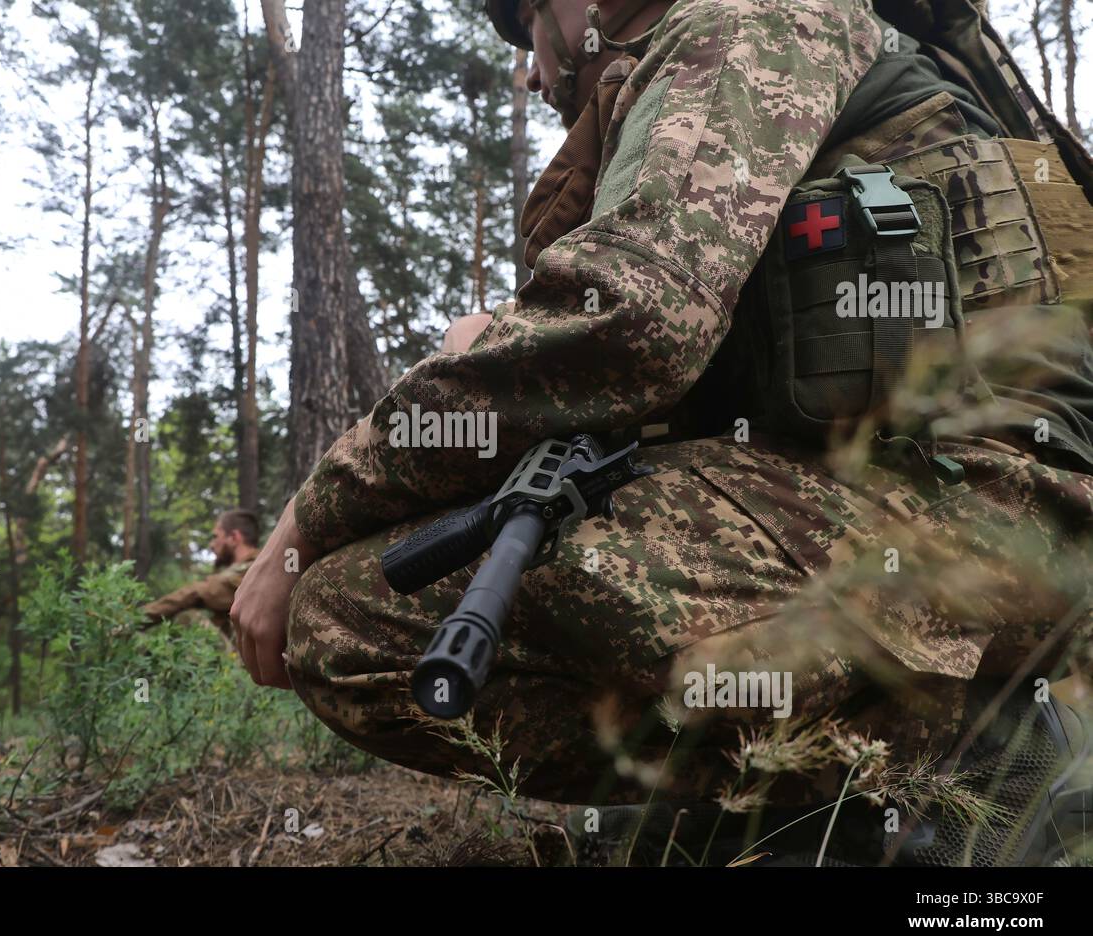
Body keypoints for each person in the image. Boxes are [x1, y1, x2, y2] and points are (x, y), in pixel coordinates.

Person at [233, 0, 1093, 865]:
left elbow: (630, 321)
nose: (529, 71)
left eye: (520, 26)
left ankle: (962, 766)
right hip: (955, 505)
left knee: (342, 616)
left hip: (982, 512)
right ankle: (788, 806)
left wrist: (307, 521)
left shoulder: (749, 18)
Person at [143, 509, 261, 648]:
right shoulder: (253, 567)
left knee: (188, 618)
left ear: (234, 537)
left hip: (244, 662)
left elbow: (197, 592)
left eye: (216, 537)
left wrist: (137, 618)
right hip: (244, 655)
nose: (211, 545)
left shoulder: (253, 570)